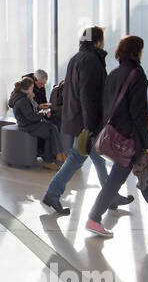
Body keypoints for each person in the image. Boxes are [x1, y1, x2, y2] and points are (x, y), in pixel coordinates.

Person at [85, 36, 148, 238]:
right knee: (119, 179)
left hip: (116, 136)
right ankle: (94, 218)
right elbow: (138, 113)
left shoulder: (113, 74)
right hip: (130, 139)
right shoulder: (136, 74)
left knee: (142, 175)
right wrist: (147, 145)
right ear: (137, 52)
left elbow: (105, 107)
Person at [41, 27, 130, 215]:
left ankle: (111, 194)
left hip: (78, 118)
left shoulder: (76, 59)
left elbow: (72, 92)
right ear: (98, 41)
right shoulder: (91, 61)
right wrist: (91, 126)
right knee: (78, 157)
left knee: (93, 158)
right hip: (88, 122)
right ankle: (53, 193)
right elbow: (88, 95)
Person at [8, 77, 64, 171]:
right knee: (51, 128)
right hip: (27, 126)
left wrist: (40, 111)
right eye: (32, 87)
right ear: (28, 88)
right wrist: (43, 113)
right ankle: (56, 155)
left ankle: (55, 156)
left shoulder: (19, 97)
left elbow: (29, 115)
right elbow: (31, 117)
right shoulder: (23, 100)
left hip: (26, 124)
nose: (33, 89)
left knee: (51, 129)